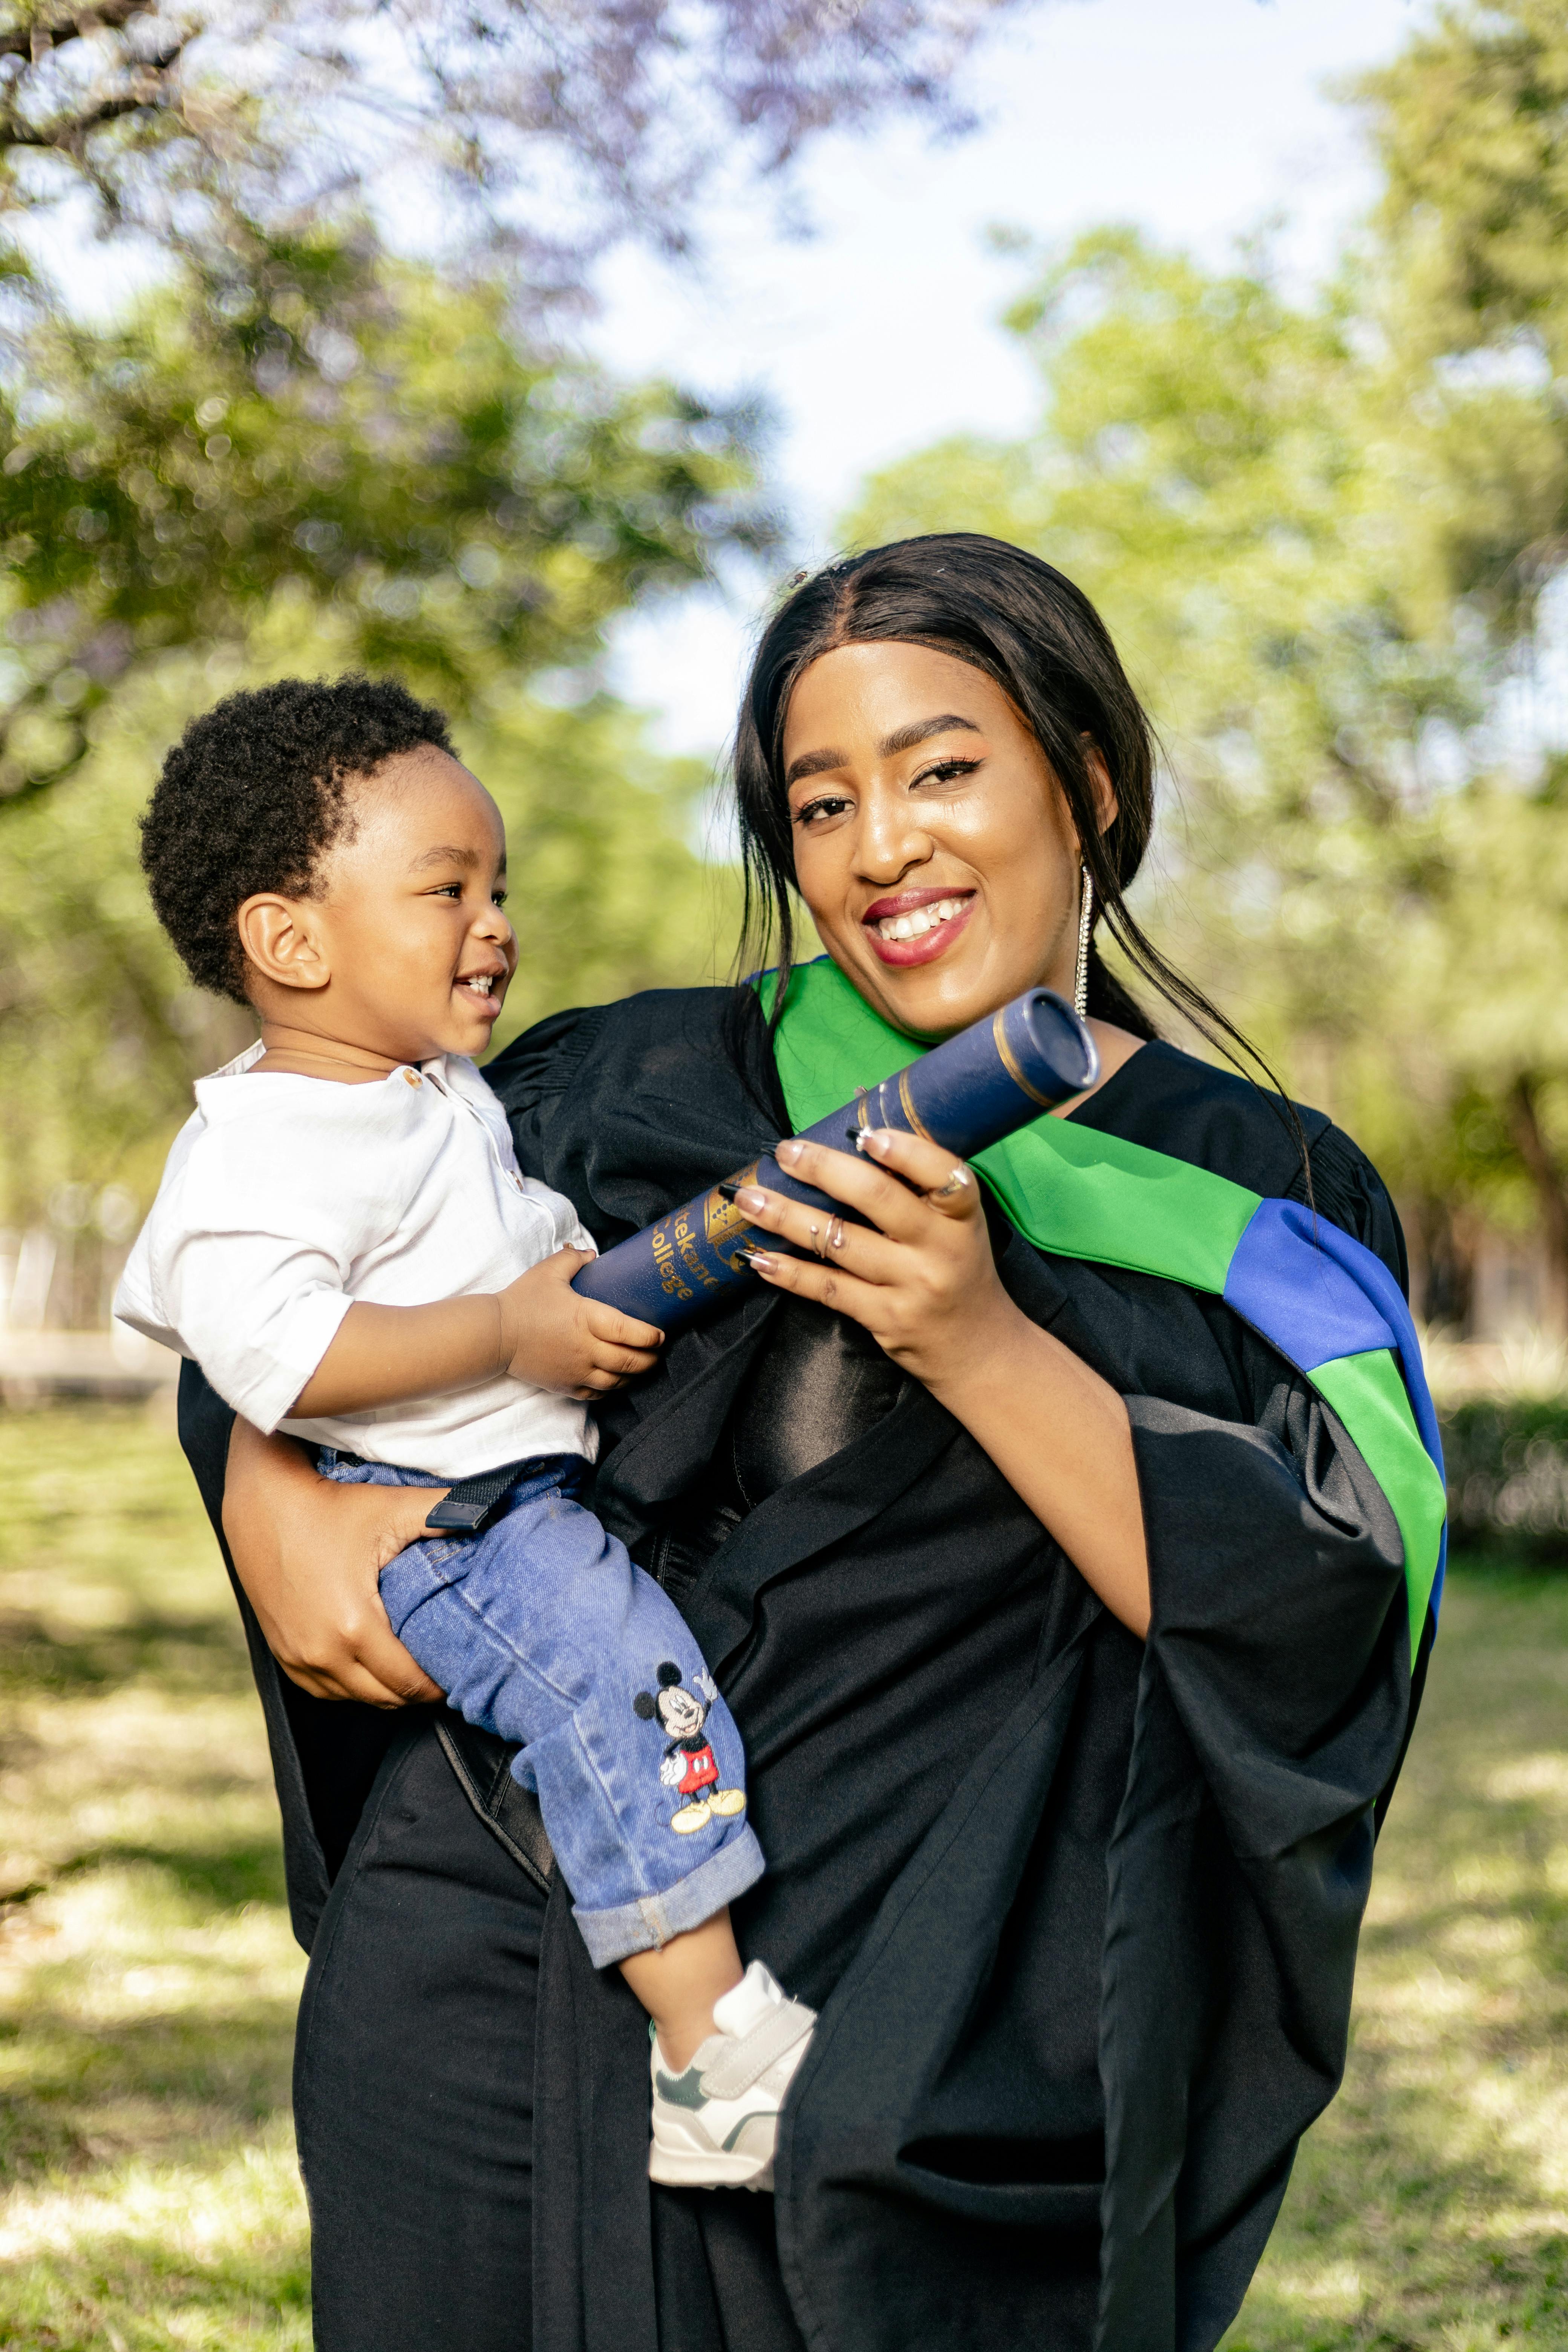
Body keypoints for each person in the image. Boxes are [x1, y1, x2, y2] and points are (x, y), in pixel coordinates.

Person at [178, 536, 1438, 2352]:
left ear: (1083, 780)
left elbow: (1307, 1614)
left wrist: (979, 1336)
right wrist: (266, 1494)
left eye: (942, 770)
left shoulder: (1261, 1192)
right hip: (483, 1961)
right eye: (820, 800)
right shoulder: (626, 1084)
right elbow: (274, 1275)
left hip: (907, 2048)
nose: (881, 845)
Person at [116, 675, 816, 2191]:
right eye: (447, 890)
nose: (492, 922)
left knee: (643, 1694)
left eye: (497, 888)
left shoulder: (421, 1094)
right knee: (625, 1705)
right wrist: (509, 1330)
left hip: (497, 1489)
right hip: (438, 1514)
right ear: (288, 941)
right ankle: (710, 2054)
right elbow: (277, 1351)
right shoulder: (265, 1141)